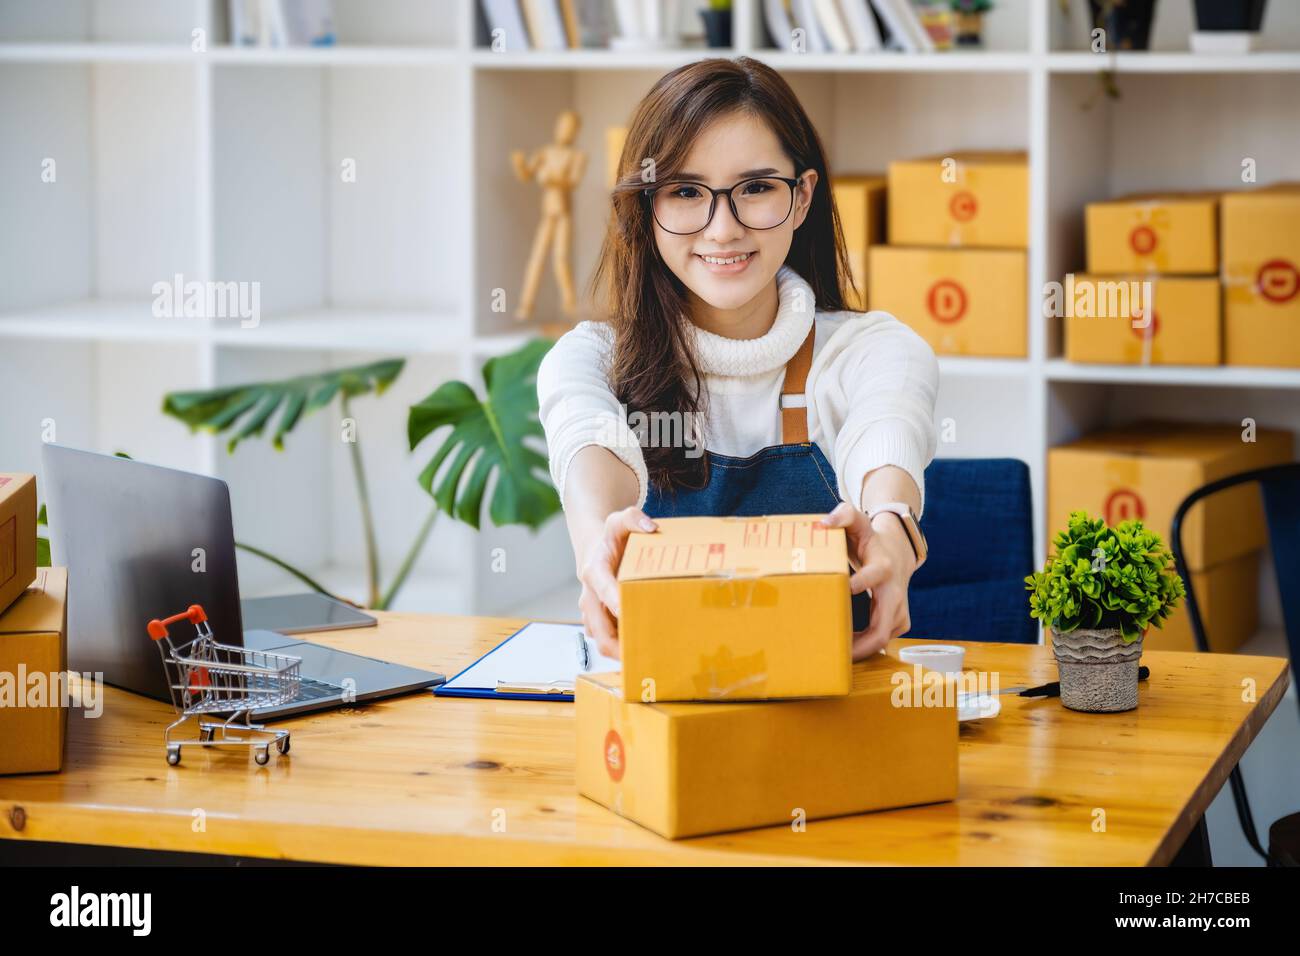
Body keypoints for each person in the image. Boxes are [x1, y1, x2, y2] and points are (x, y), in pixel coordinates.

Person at [537, 57, 938, 661]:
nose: (722, 229)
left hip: (833, 704)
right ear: (647, 210)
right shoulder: (592, 360)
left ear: (801, 198)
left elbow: (889, 440)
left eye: (754, 188)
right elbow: (591, 447)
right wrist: (598, 542)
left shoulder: (874, 350)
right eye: (685, 192)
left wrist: (890, 536)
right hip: (664, 709)